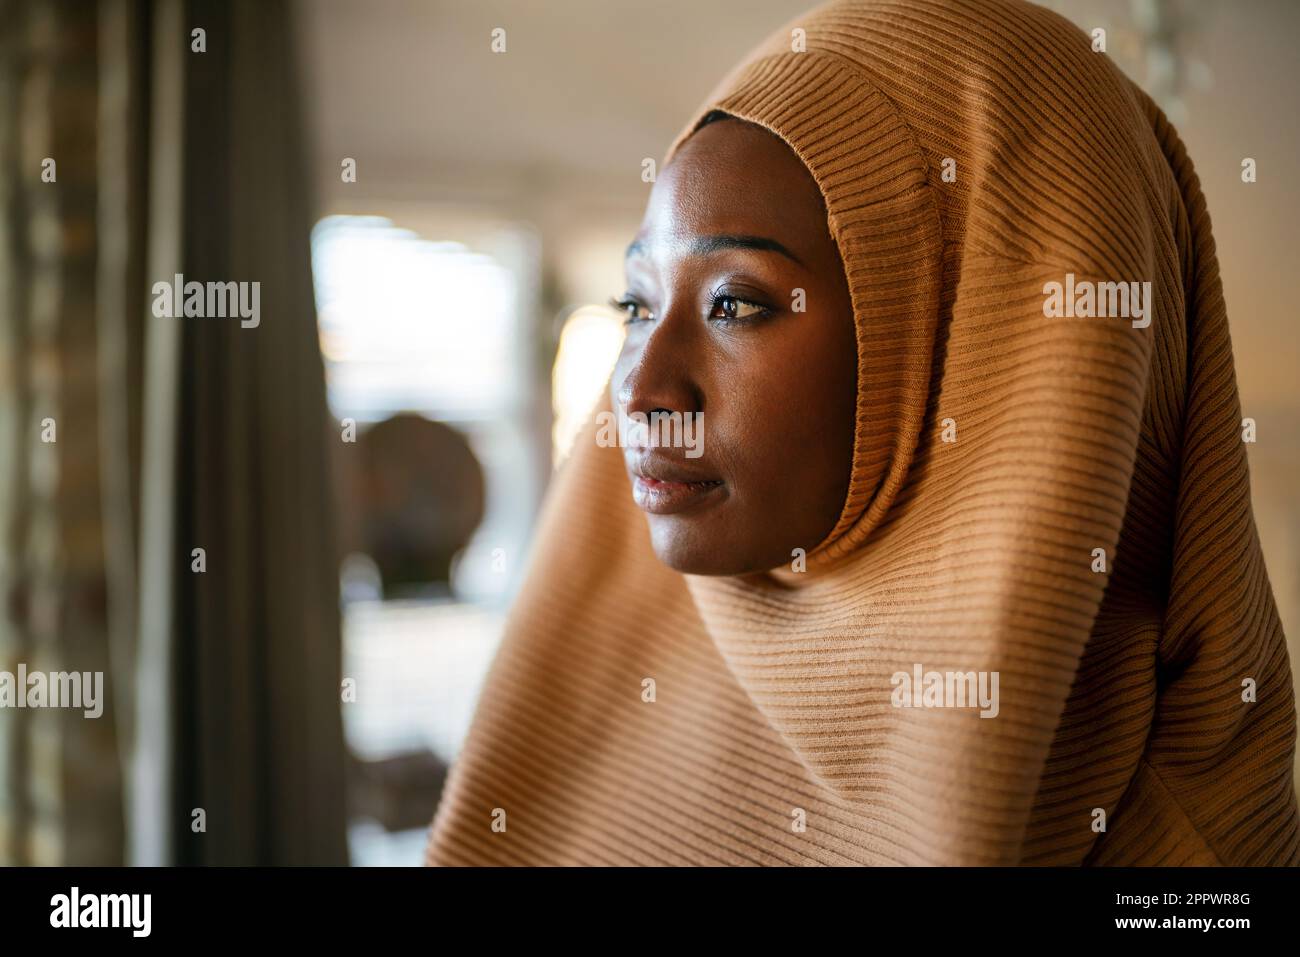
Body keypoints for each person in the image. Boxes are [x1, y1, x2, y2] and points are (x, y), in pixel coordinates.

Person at [426, 0, 1300, 865]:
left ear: (982, 352)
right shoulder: (608, 687)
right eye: (637, 304)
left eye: (736, 302)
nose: (641, 391)